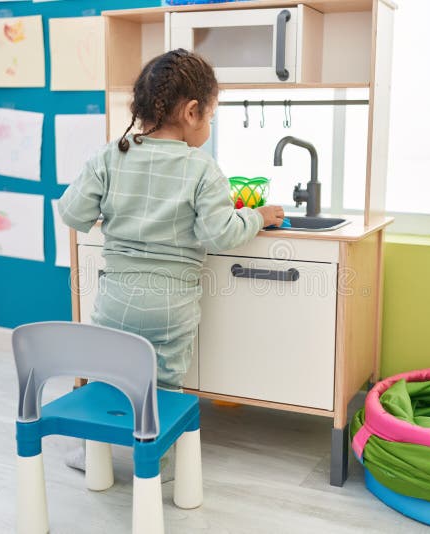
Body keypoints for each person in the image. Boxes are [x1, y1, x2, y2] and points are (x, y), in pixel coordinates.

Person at [57, 48, 284, 473]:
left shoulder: (112, 154)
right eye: (212, 116)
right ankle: (153, 459)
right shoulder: (202, 168)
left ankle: (92, 455)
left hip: (116, 300)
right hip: (171, 308)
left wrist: (108, 212)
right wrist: (257, 215)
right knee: (162, 386)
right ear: (193, 111)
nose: (211, 126)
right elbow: (220, 232)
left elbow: (71, 212)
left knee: (109, 377)